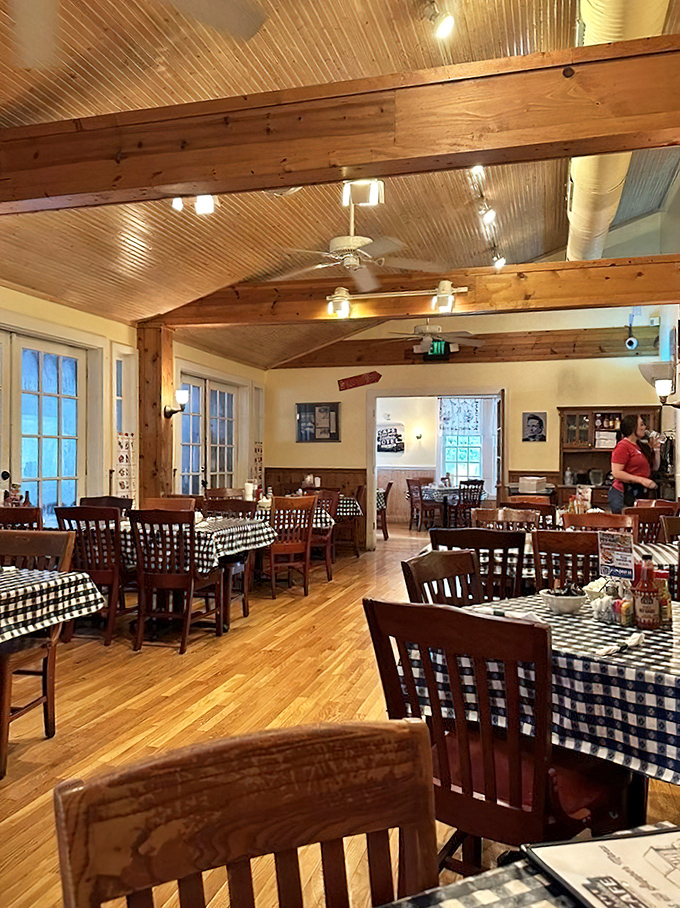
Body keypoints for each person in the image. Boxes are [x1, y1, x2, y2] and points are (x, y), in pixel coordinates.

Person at [608, 414, 660, 513]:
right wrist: (641, 480)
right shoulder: (623, 446)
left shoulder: (640, 446)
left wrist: (656, 449)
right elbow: (617, 473)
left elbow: (654, 468)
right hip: (623, 493)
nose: (644, 427)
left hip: (639, 492)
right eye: (641, 425)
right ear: (633, 428)